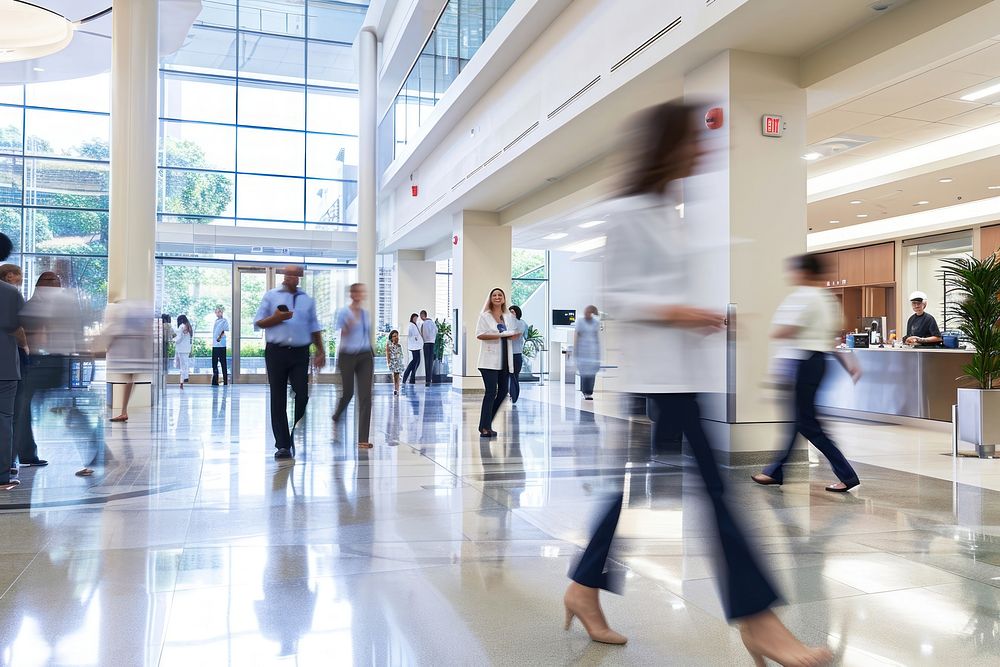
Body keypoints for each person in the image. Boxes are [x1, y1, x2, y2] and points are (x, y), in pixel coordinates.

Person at [564, 102, 831, 666]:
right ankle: (759, 623)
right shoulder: (629, 212)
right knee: (716, 496)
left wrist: (703, 316)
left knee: (630, 493)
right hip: (659, 381)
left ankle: (583, 588)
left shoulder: (669, 211)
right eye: (692, 139)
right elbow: (618, 297)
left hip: (682, 376)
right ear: (668, 146)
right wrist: (679, 312)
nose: (702, 149)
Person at [752, 254, 863, 493]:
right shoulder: (826, 299)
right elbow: (832, 337)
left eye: (794, 270)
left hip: (801, 362)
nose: (790, 274)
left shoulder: (804, 297)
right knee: (800, 422)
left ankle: (846, 474)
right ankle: (775, 471)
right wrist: (848, 362)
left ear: (804, 272)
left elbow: (783, 331)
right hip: (816, 362)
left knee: (806, 423)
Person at [253, 265, 325, 460]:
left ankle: (294, 430)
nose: (291, 277)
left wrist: (320, 351)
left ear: (299, 277)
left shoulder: (307, 300)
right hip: (276, 351)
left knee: (302, 394)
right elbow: (258, 322)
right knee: (278, 398)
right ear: (284, 275)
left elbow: (314, 327)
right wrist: (276, 318)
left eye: (295, 274)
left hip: (300, 353)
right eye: (288, 273)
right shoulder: (271, 296)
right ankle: (283, 445)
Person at [15, 272, 83, 470]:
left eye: (56, 281)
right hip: (38, 361)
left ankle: (24, 453)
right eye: (51, 281)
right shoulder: (35, 304)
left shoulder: (43, 303)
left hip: (49, 361)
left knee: (24, 408)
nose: (54, 285)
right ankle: (24, 454)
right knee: (23, 409)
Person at [333, 283, 374, 449]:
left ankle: (363, 439)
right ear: (351, 294)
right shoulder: (344, 312)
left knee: (366, 396)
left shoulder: (365, 314)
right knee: (348, 394)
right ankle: (336, 417)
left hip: (365, 355)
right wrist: (347, 326)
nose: (359, 294)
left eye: (361, 292)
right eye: (355, 291)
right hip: (347, 355)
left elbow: (367, 334)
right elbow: (341, 332)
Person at [475, 288, 519, 438]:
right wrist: (500, 335)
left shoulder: (508, 317)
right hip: (488, 361)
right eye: (494, 295)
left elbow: (511, 334)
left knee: (503, 392)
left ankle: (485, 424)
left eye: (500, 295)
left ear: (504, 298)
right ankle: (485, 427)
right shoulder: (485, 316)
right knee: (490, 392)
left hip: (504, 360)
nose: (497, 297)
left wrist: (512, 335)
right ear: (490, 298)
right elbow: (479, 334)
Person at [102, 300, 154, 423]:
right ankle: (124, 411)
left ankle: (124, 411)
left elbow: (113, 334)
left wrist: (107, 347)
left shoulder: (122, 320)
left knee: (128, 379)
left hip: (126, 355)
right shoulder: (136, 320)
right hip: (135, 353)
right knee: (129, 380)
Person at [1, 264, 28, 478]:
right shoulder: (11, 293)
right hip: (5, 364)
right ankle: (3, 473)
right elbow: (20, 326)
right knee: (4, 418)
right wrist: (25, 345)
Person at [574, 305, 601, 400]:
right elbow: (576, 336)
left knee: (592, 373)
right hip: (582, 351)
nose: (588, 314)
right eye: (587, 312)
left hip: (592, 351)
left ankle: (589, 392)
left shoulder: (595, 322)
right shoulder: (580, 321)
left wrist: (598, 353)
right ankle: (585, 391)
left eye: (590, 313)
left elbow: (597, 338)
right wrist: (575, 352)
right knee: (584, 373)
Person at [508, 305, 526, 404]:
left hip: (516, 354)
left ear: (517, 313)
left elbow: (515, 337)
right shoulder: (507, 323)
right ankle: (511, 395)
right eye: (509, 312)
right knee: (507, 376)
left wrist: (502, 336)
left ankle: (514, 397)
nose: (511, 314)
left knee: (514, 376)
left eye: (513, 312)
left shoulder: (521, 323)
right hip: (507, 354)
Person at [402, 313, 422, 386]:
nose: (416, 319)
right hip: (414, 347)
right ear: (412, 318)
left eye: (416, 318)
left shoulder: (414, 325)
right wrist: (415, 338)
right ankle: (405, 377)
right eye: (415, 318)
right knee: (414, 361)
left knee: (417, 362)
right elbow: (410, 334)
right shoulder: (411, 325)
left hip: (417, 346)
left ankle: (412, 379)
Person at [211, 305, 230, 385]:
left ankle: (225, 381)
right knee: (214, 363)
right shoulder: (216, 321)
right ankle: (215, 381)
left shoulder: (224, 321)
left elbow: (225, 330)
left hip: (221, 345)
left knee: (223, 363)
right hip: (215, 345)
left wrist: (219, 337)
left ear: (222, 312)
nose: (217, 313)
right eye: (216, 312)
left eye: (219, 312)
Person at [174, 314, 193, 390]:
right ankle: (185, 378)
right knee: (185, 364)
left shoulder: (181, 326)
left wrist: (174, 340)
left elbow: (179, 339)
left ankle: (182, 381)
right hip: (187, 349)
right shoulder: (188, 326)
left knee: (182, 366)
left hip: (181, 349)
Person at [420, 310, 438, 387]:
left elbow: (421, 333)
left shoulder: (424, 324)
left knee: (426, 362)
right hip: (432, 343)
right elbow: (436, 331)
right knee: (430, 362)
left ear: (422, 315)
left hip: (426, 344)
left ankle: (427, 380)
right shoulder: (433, 323)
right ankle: (429, 379)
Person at [386, 329, 404, 395]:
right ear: (391, 337)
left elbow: (400, 354)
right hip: (392, 362)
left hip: (398, 361)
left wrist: (401, 362)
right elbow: (388, 353)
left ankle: (397, 389)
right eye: (394, 336)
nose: (396, 337)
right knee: (394, 375)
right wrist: (388, 362)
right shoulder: (389, 343)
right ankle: (395, 388)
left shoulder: (398, 345)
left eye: (397, 336)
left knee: (398, 375)